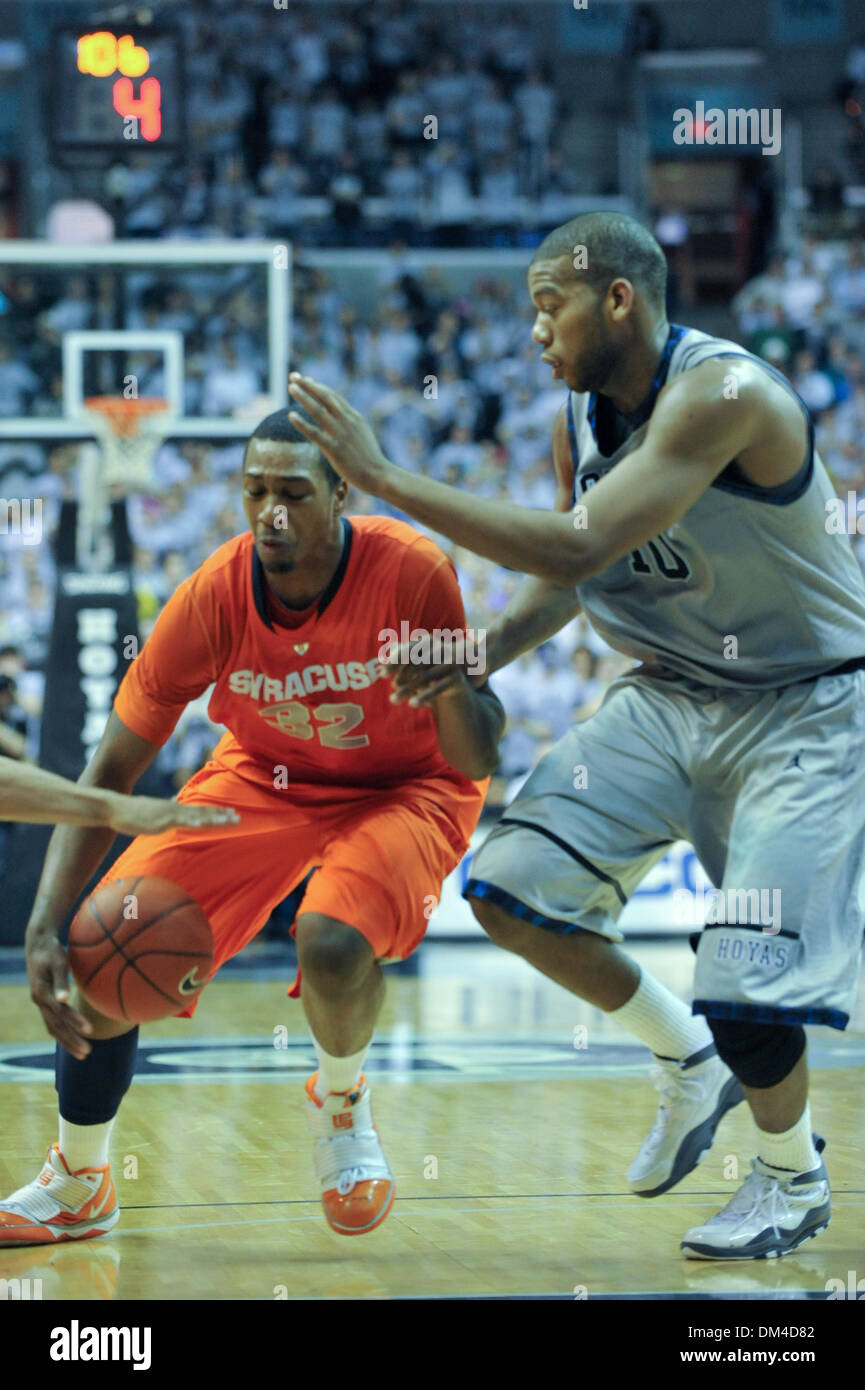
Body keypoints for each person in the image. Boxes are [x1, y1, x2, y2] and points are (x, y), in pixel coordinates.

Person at [286, 210, 865, 1260]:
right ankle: (685, 1060)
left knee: (743, 979)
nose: (532, 331)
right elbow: (580, 570)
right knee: (509, 887)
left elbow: (579, 536)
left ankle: (792, 1180)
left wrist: (384, 483)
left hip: (804, 705)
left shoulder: (725, 396)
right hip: (670, 691)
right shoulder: (582, 413)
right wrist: (487, 651)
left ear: (618, 300)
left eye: (546, 305)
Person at [0, 408, 502, 1247]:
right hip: (266, 777)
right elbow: (110, 773)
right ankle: (82, 1180)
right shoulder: (212, 596)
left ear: (341, 493)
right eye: (254, 490)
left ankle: (341, 1106)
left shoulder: (413, 571)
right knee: (106, 946)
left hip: (409, 785)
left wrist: (450, 686)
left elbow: (480, 746)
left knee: (332, 940)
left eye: (293, 493)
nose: (270, 511)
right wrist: (46, 924)